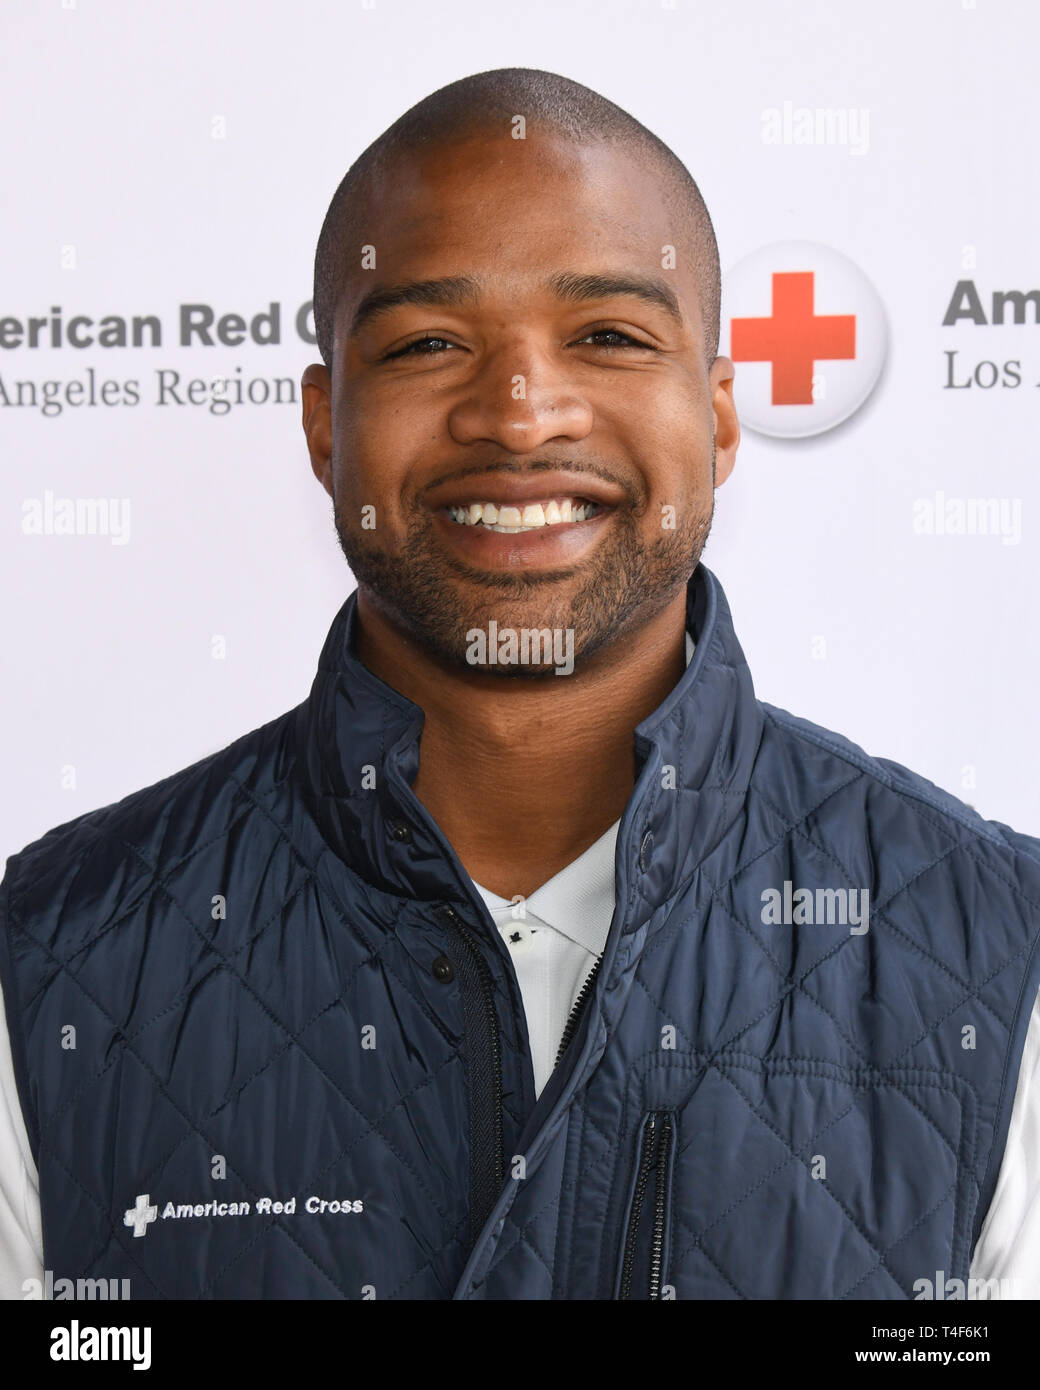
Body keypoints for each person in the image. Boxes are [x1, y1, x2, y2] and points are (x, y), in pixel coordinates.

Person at [2, 66, 1039, 1302]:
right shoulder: (53, 958)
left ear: (715, 417)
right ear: (324, 425)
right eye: (430, 342)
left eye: (606, 335)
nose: (519, 414)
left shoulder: (996, 956)